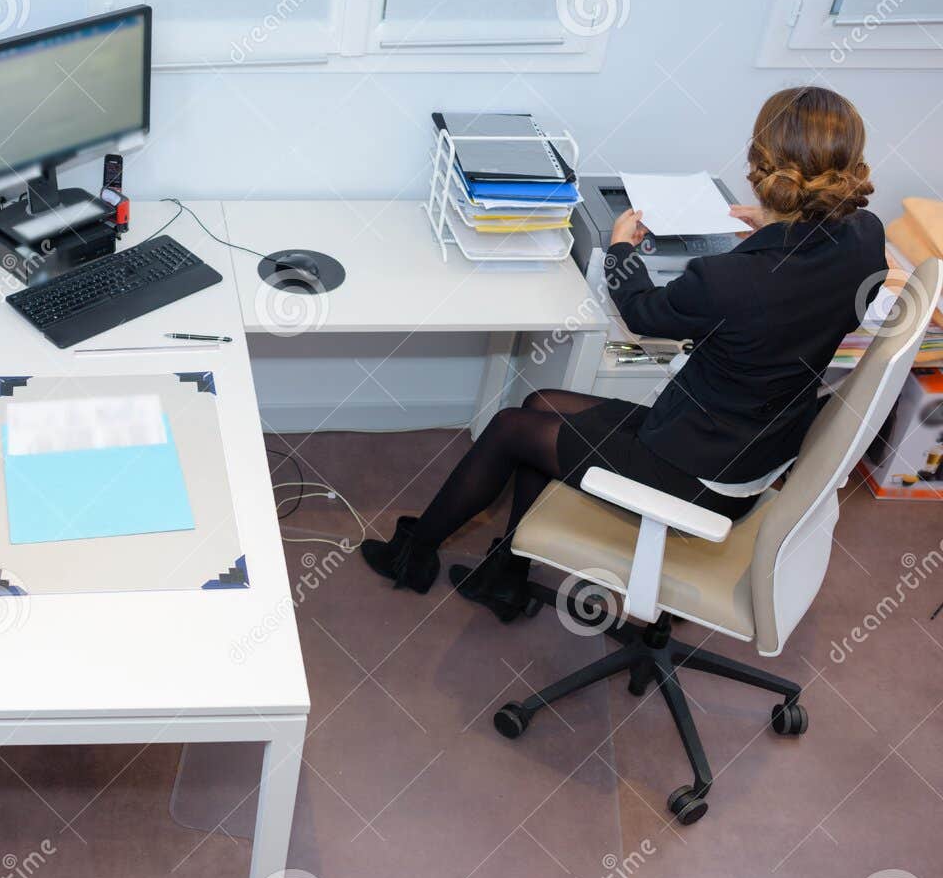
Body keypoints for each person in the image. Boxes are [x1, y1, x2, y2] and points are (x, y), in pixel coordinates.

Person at [363, 85, 886, 621]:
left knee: (509, 429)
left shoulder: (730, 280)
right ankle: (506, 576)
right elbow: (817, 289)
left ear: (761, 166)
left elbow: (643, 313)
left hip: (699, 476)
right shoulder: (866, 239)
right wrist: (778, 228)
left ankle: (413, 554)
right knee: (542, 403)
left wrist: (620, 249)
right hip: (753, 449)